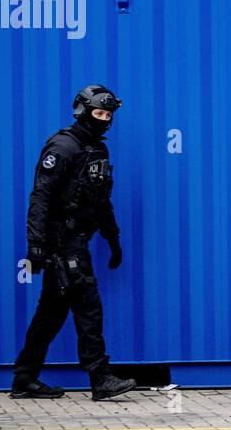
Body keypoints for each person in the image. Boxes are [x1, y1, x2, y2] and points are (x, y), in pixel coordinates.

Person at [10, 85, 137, 402]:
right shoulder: (63, 147)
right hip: (62, 244)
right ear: (82, 111)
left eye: (108, 114)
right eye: (99, 113)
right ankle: (100, 377)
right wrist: (35, 246)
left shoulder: (98, 151)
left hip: (78, 239)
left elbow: (100, 199)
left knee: (51, 312)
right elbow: (40, 197)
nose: (104, 119)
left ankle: (25, 377)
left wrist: (112, 237)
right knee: (87, 304)